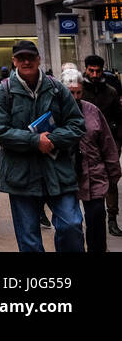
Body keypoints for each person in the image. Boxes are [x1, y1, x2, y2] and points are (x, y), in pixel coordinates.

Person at [0, 40, 86, 252]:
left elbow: (77, 124)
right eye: (21, 58)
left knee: (71, 225)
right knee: (30, 241)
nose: (26, 61)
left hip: (58, 171)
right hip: (21, 175)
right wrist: (34, 140)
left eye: (30, 57)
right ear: (14, 61)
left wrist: (52, 139)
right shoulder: (3, 92)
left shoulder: (57, 88)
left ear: (38, 59)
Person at [62, 66, 120, 253]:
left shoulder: (92, 111)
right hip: (66, 176)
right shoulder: (54, 113)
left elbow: (108, 143)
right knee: (69, 225)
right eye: (71, 93)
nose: (76, 97)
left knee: (96, 218)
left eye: (79, 92)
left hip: (94, 174)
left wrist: (113, 173)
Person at [81, 54, 122, 237]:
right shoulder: (79, 89)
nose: (95, 74)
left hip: (109, 141)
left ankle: (112, 218)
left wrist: (118, 140)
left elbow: (119, 118)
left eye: (98, 71)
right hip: (86, 142)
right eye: (91, 71)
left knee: (111, 179)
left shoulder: (110, 91)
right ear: (86, 69)